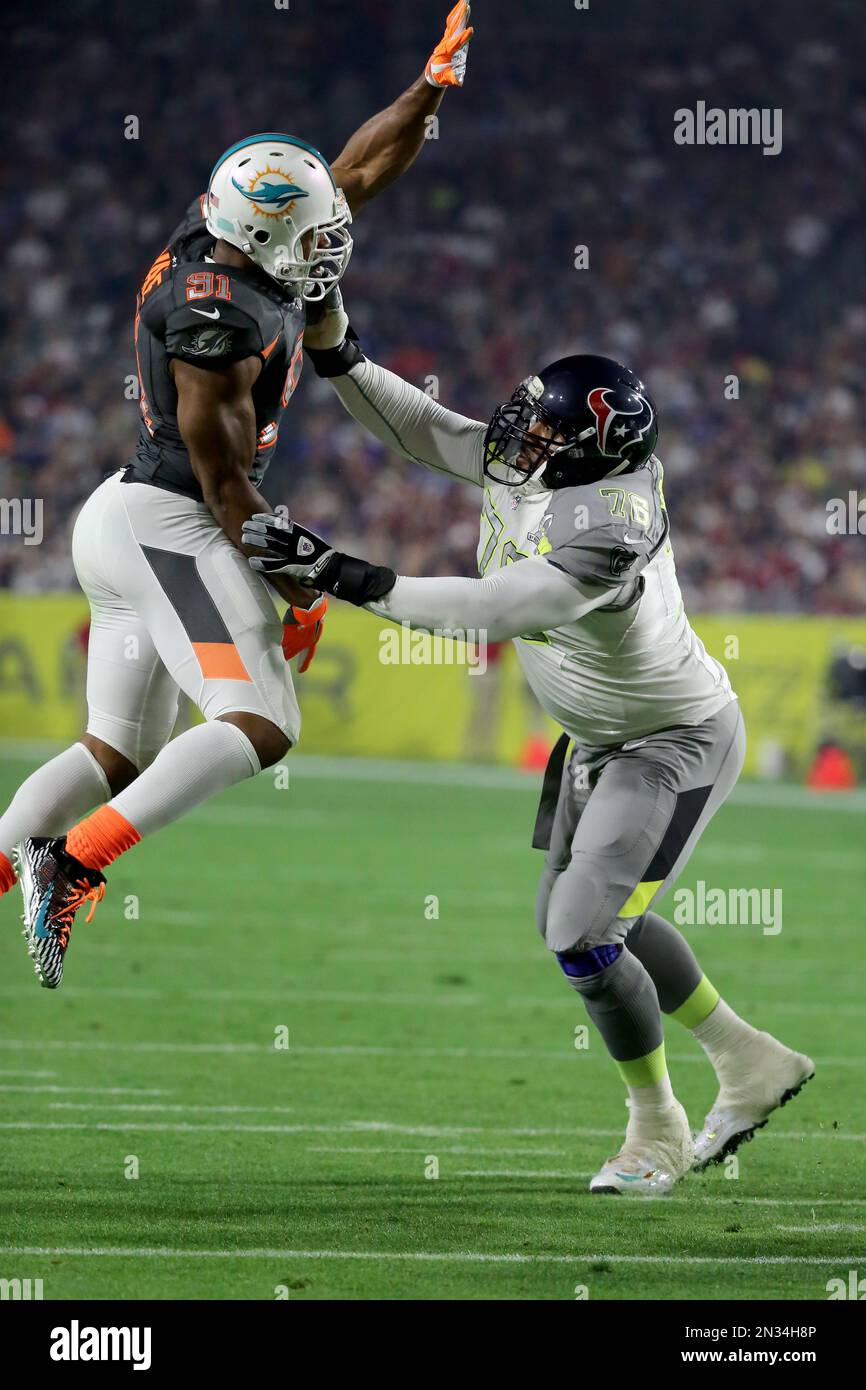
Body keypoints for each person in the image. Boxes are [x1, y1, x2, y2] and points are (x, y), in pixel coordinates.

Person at [237, 294, 814, 1195]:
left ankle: (654, 1128)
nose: (517, 444)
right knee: (581, 924)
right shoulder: (549, 465)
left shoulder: (612, 526)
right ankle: (748, 1059)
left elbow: (494, 612)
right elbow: (429, 429)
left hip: (671, 740)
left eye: (543, 437)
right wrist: (337, 347)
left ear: (587, 457)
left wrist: (338, 572)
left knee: (584, 933)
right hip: (597, 737)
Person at [0, 5, 475, 990]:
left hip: (135, 514)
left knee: (114, 752)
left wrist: (429, 87)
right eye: (309, 239)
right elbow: (225, 490)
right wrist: (303, 591)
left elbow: (349, 176)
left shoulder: (253, 231)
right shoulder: (209, 320)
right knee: (261, 722)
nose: (330, 244)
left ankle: (28, 861)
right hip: (170, 521)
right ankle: (75, 866)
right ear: (260, 235)